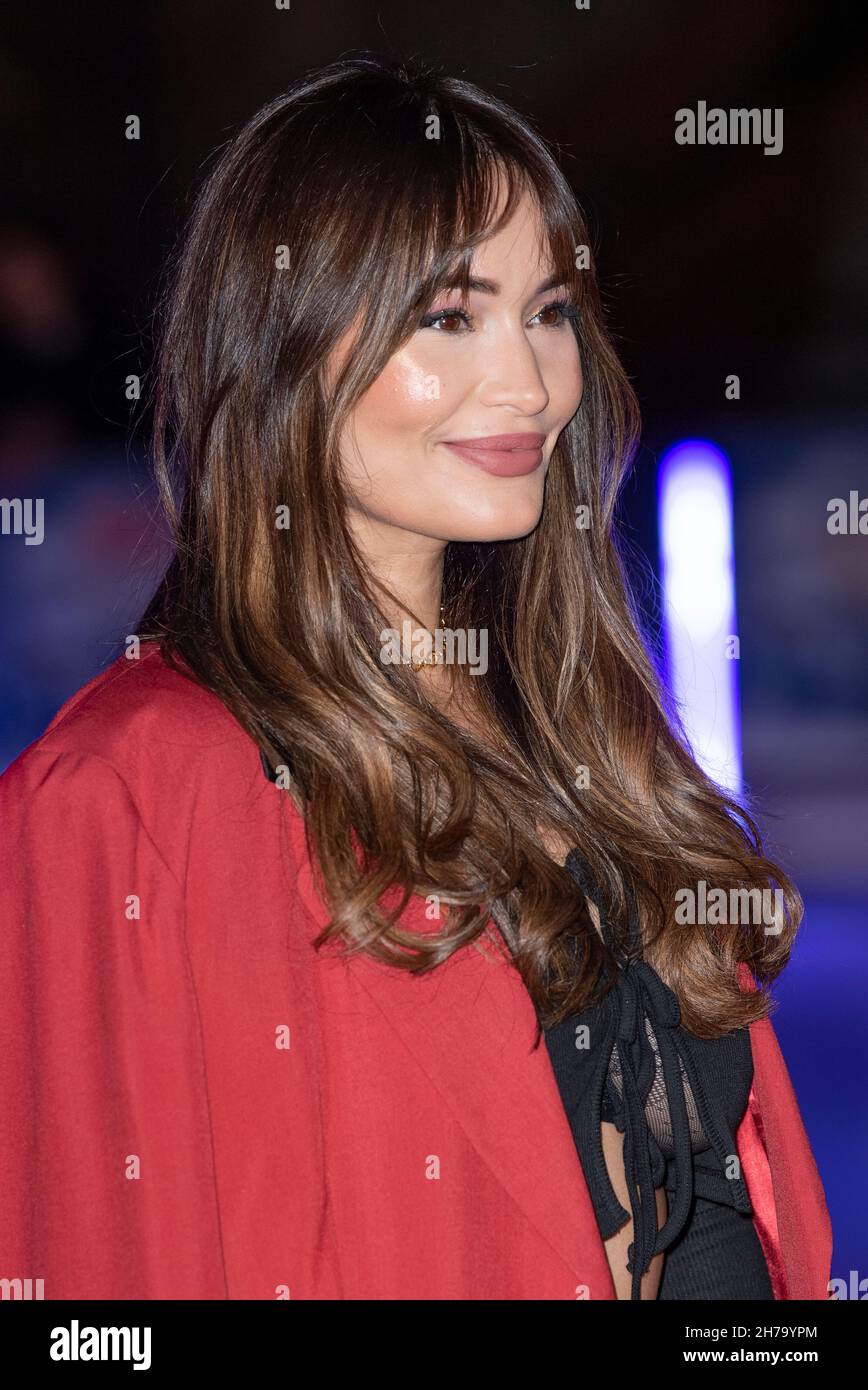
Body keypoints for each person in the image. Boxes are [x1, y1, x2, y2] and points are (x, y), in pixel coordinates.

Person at [0, 54, 832, 1301]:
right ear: (282, 348)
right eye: (449, 316)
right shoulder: (131, 790)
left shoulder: (586, 724)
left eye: (547, 310)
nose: (530, 384)